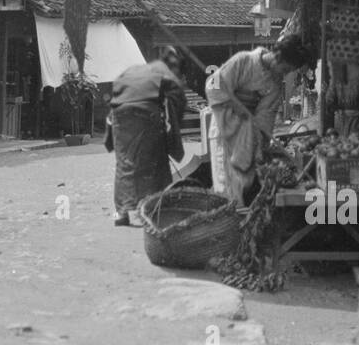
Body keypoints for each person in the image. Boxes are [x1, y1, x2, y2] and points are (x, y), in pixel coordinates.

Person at [205, 35, 314, 206]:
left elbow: (265, 117)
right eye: (284, 69)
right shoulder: (243, 61)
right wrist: (237, 106)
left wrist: (261, 143)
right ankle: (224, 226)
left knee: (242, 184)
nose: (283, 74)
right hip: (225, 127)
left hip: (246, 136)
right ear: (277, 56)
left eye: (287, 72)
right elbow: (214, 85)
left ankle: (237, 223)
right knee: (224, 186)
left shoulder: (275, 83)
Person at [108, 47, 187, 226]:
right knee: (155, 161)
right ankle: (155, 207)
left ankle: (122, 212)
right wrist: (172, 138)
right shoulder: (165, 72)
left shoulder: (137, 69)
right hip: (144, 113)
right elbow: (178, 102)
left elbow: (116, 91)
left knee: (125, 162)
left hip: (118, 115)